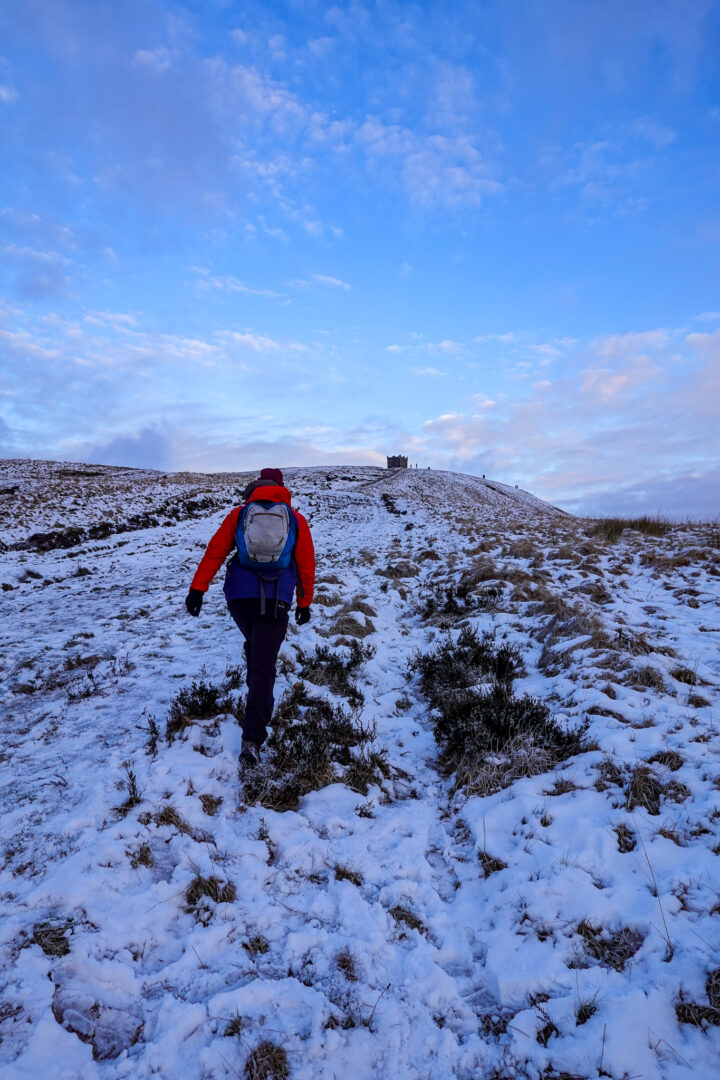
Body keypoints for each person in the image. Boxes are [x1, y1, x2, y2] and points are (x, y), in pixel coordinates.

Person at [185, 467, 315, 766]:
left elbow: (215, 552)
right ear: (282, 488)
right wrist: (304, 602)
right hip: (277, 598)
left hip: (239, 597)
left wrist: (197, 589)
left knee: (256, 652)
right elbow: (306, 564)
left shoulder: (240, 515)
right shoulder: (295, 519)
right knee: (263, 666)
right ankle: (253, 738)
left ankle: (254, 702)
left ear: (256, 486)